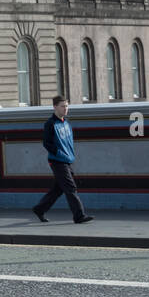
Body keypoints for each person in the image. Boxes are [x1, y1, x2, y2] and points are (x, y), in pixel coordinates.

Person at [33, 95, 94, 224]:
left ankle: (39, 209)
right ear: (55, 107)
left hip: (67, 159)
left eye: (66, 106)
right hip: (57, 161)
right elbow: (47, 143)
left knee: (59, 189)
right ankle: (79, 216)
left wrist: (69, 156)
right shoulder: (50, 124)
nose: (65, 109)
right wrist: (59, 153)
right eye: (62, 106)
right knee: (71, 187)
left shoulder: (66, 123)